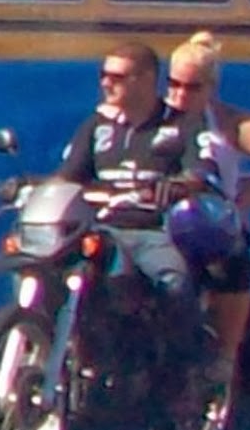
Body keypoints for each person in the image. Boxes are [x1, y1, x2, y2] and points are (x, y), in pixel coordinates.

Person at [49, 41, 223, 387]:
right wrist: (31, 188)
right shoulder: (97, 126)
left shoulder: (181, 125)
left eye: (117, 76)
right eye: (103, 75)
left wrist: (179, 186)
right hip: (100, 228)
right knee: (54, 267)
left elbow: (201, 171)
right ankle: (87, 353)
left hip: (153, 230)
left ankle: (184, 373)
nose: (105, 83)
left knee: (173, 282)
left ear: (145, 80)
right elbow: (69, 175)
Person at [165, 30, 250, 389]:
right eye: (174, 84)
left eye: (192, 88)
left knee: (231, 263)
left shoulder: (226, 121)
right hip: (156, 218)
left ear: (210, 88)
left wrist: (241, 202)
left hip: (207, 223)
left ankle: (224, 358)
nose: (180, 95)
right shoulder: (155, 119)